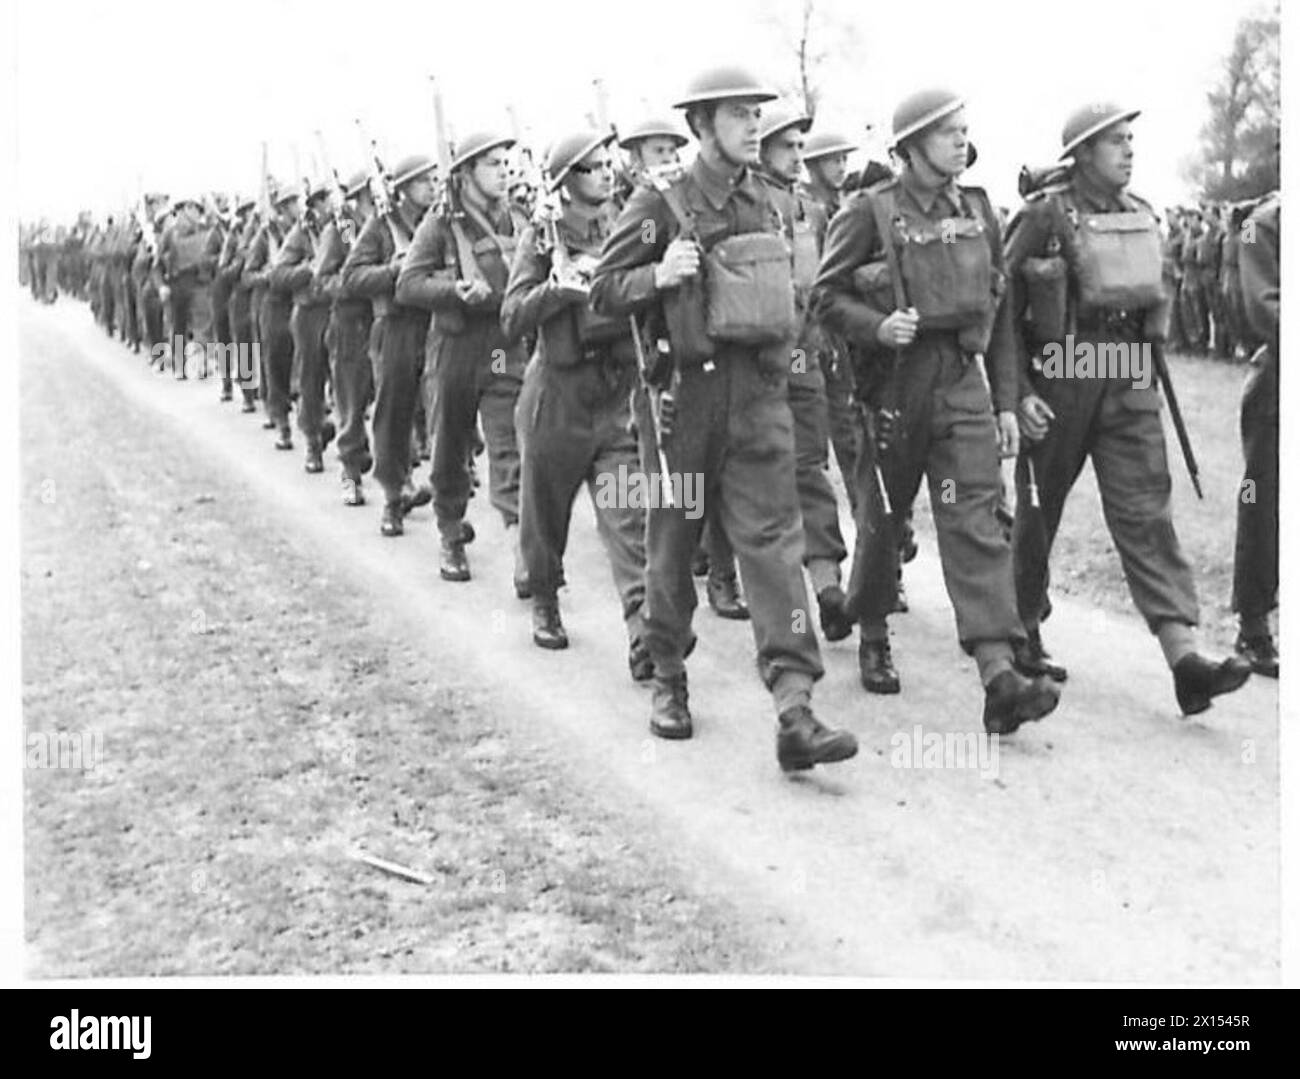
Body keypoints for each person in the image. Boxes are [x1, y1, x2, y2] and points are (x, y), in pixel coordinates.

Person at [591, 65, 858, 770]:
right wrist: (659, 276)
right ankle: (670, 681)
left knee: (774, 544)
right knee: (673, 545)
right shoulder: (661, 203)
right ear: (702, 125)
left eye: (755, 114)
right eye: (737, 115)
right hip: (683, 401)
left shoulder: (769, 201)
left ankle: (795, 705)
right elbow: (601, 293)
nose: (752, 126)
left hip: (760, 397)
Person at [815, 88, 1060, 734]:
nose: (960, 141)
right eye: (946, 131)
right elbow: (825, 297)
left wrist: (1006, 400)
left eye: (963, 130)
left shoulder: (978, 208)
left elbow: (1001, 312)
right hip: (896, 385)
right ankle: (868, 625)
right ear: (911, 145)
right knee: (883, 518)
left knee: (976, 521)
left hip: (961, 381)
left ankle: (997, 673)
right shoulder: (870, 212)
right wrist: (876, 326)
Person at [1004, 101, 1251, 716]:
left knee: (1147, 511)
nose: (1129, 150)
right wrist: (1016, 395)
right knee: (1040, 508)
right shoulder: (1042, 217)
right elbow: (1000, 313)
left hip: (1128, 371)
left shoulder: (1142, 216)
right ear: (1082, 153)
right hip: (1062, 369)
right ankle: (1018, 633)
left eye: (1131, 140)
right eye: (1114, 141)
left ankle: (1184, 657)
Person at [501, 128, 652, 679]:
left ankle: (643, 631)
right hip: (556, 400)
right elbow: (512, 315)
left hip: (615, 398)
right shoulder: (542, 238)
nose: (607, 172)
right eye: (591, 167)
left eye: (607, 163)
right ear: (567, 182)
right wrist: (556, 289)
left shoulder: (626, 226)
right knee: (545, 515)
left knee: (629, 519)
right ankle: (544, 598)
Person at [619, 115, 748, 620]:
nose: (668, 158)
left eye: (674, 147)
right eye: (656, 150)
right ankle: (666, 656)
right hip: (665, 372)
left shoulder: (714, 196)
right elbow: (611, 287)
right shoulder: (648, 208)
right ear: (634, 160)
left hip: (730, 373)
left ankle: (723, 576)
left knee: (726, 494)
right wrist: (658, 275)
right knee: (673, 515)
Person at [396, 133, 527, 585]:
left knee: (509, 444)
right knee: (450, 446)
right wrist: (453, 290)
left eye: (505, 163)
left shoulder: (519, 218)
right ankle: (451, 533)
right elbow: (408, 285)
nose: (503, 171)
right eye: (492, 164)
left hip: (502, 346)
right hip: (454, 347)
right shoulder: (439, 225)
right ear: (467, 174)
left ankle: (521, 548)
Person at [756, 106, 854, 643]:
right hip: (750, 367)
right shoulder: (740, 204)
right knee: (756, 483)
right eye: (788, 146)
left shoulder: (811, 211)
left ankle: (826, 586)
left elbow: (826, 289)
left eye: (801, 146)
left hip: (803, 356)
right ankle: (733, 582)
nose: (799, 156)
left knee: (810, 468)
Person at [341, 153, 440, 534]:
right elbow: (353, 277)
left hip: (434, 323)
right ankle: (392, 494)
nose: (431, 187)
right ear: (403, 190)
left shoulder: (439, 223)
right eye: (422, 182)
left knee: (443, 411)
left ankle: (443, 489)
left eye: (433, 180)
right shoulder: (381, 227)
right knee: (393, 414)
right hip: (395, 326)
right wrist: (395, 271)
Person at [1232, 190, 1279, 677]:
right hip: (1280, 382)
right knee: (1262, 500)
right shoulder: (1264, 224)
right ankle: (1253, 625)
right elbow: (1264, 306)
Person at [269, 179, 338, 472]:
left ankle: (349, 442)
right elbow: (278, 274)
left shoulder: (340, 228)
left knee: (349, 381)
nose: (332, 205)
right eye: (326, 200)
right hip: (306, 313)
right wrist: (309, 269)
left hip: (338, 309)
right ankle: (311, 442)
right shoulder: (297, 234)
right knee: (310, 379)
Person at [316, 170, 376, 505]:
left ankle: (401, 481)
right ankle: (350, 473)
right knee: (351, 404)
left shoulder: (386, 224)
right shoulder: (341, 229)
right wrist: (356, 283)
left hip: (385, 322)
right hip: (349, 324)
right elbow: (322, 280)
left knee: (397, 404)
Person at [243, 184, 303, 443]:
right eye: (292, 203)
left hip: (297, 302)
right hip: (274, 307)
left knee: (299, 364)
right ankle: (282, 423)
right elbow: (247, 275)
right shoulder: (265, 236)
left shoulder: (302, 231)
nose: (297, 208)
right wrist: (268, 275)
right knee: (276, 365)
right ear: (282, 208)